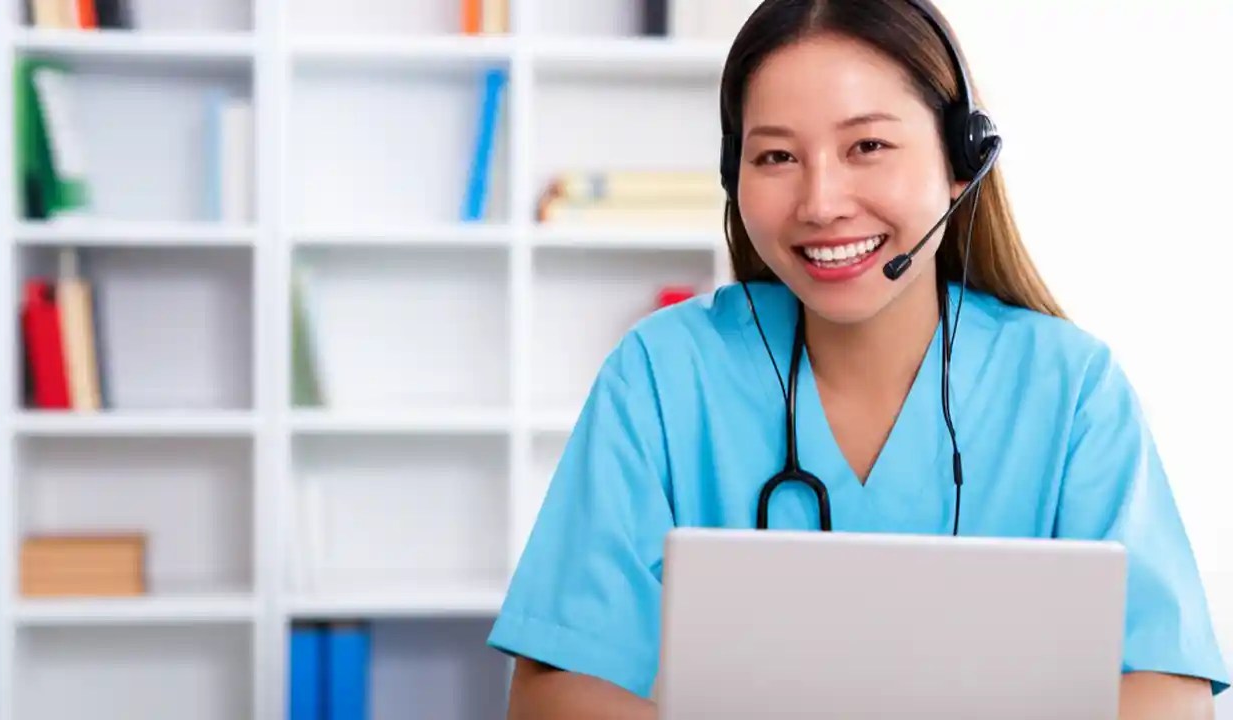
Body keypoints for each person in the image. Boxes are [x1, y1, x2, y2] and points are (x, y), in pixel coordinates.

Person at [486, 0, 1230, 717]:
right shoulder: (662, 373)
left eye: (866, 146)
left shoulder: (1071, 389)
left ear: (961, 161)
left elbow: (1170, 690)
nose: (820, 202)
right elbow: (555, 692)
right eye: (776, 155)